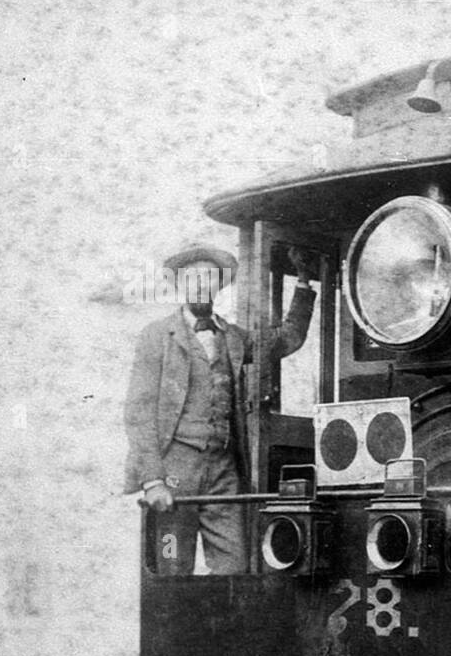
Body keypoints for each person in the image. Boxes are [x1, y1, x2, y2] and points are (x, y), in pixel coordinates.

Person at [123, 244, 317, 574]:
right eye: (192, 279)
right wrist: (153, 480)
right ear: (180, 285)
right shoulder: (156, 336)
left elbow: (287, 339)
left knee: (234, 567)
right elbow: (138, 412)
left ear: (220, 286)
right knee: (170, 566)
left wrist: (303, 282)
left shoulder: (233, 338)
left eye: (209, 278)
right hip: (174, 473)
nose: (201, 285)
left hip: (224, 473)